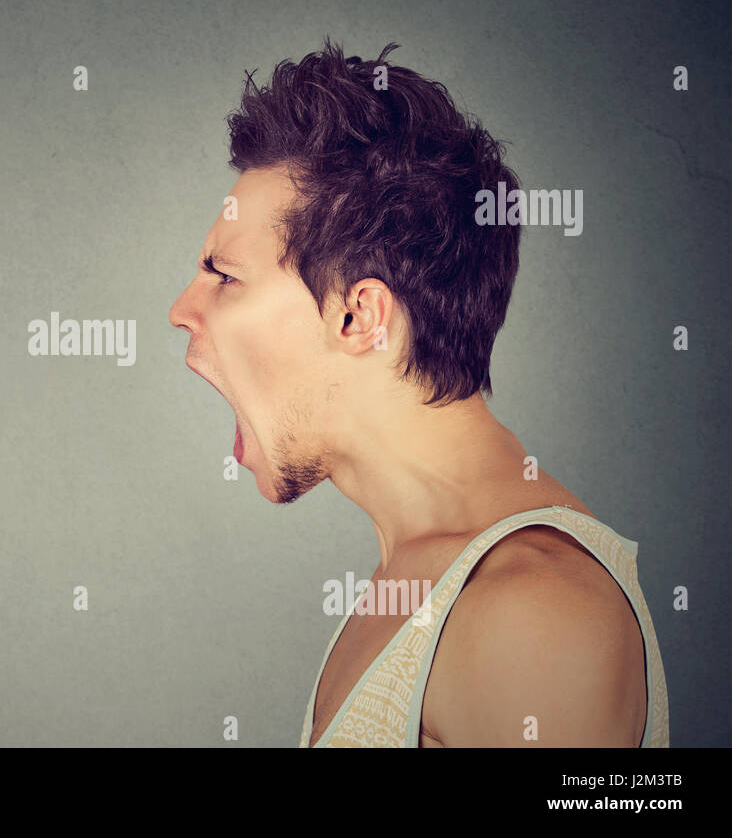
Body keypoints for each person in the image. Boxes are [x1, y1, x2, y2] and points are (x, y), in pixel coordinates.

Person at [168, 40, 668, 747]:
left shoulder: (533, 614)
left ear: (358, 316)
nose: (181, 310)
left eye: (224, 275)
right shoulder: (414, 578)